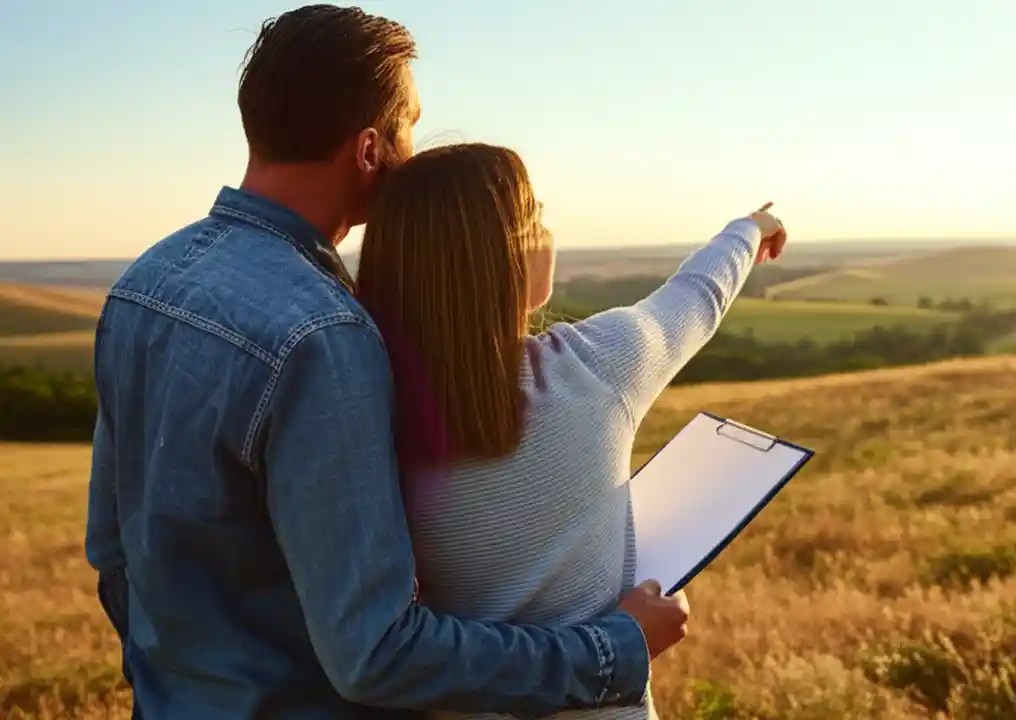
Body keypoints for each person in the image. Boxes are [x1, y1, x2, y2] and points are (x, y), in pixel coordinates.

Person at [84, 6, 690, 719]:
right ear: (370, 150)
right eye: (408, 127)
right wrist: (612, 650)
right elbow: (377, 654)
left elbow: (114, 556)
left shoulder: (145, 284)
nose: (413, 153)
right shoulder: (324, 337)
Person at [355, 143, 787, 719]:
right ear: (505, 258)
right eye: (536, 216)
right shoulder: (595, 367)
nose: (548, 231)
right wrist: (749, 228)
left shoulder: (363, 411)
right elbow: (699, 295)